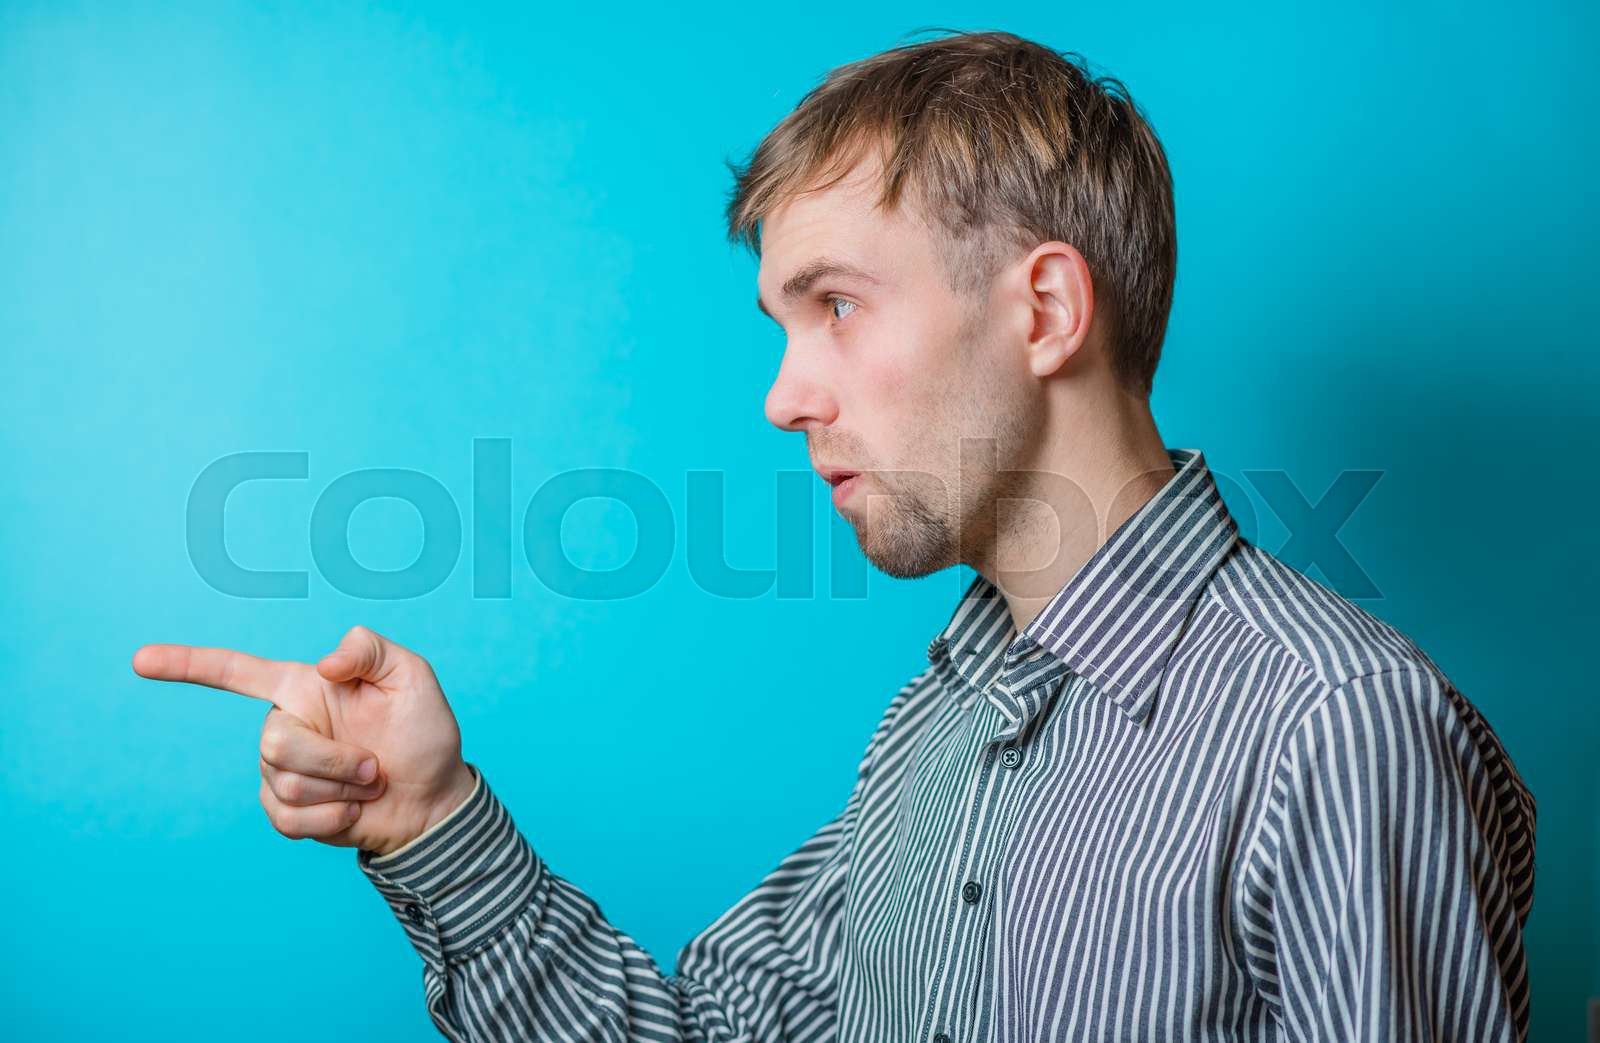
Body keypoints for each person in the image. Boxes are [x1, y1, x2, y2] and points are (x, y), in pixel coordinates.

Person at [132, 29, 1535, 1043]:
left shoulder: (1340, 729)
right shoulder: (929, 736)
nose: (784, 396)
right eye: (783, 327)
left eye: (838, 307)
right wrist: (429, 820)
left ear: (1046, 311)